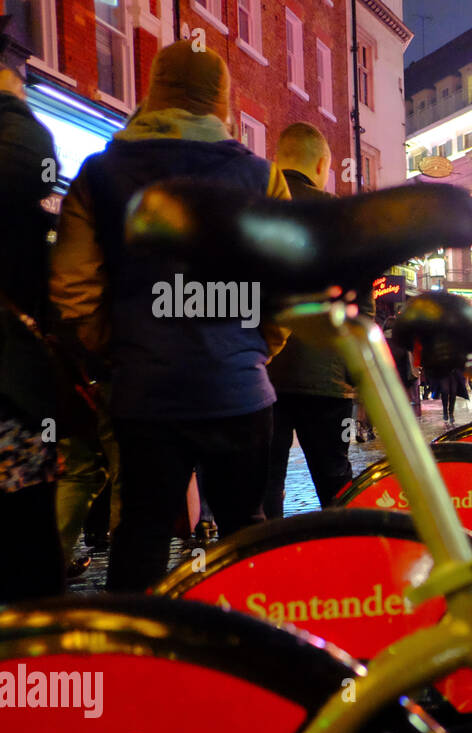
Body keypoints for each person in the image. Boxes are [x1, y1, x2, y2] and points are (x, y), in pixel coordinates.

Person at [49, 41, 292, 592]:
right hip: (239, 393)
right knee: (246, 532)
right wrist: (254, 349)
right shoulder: (261, 178)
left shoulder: (101, 174)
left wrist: (121, 349)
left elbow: (72, 287)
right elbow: (285, 289)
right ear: (222, 102)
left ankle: (136, 668)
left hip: (146, 393)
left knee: (142, 533)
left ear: (153, 92)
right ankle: (255, 658)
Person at [261, 122, 354, 519]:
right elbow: (359, 303)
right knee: (337, 483)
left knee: (265, 484)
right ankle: (348, 561)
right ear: (321, 165)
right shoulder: (340, 217)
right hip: (327, 378)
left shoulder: (258, 210)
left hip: (265, 375)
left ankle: (268, 565)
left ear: (276, 160)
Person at [0, 66, 63, 601]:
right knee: (29, 561)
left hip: (18, 392)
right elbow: (30, 164)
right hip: (10, 393)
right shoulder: (18, 135)